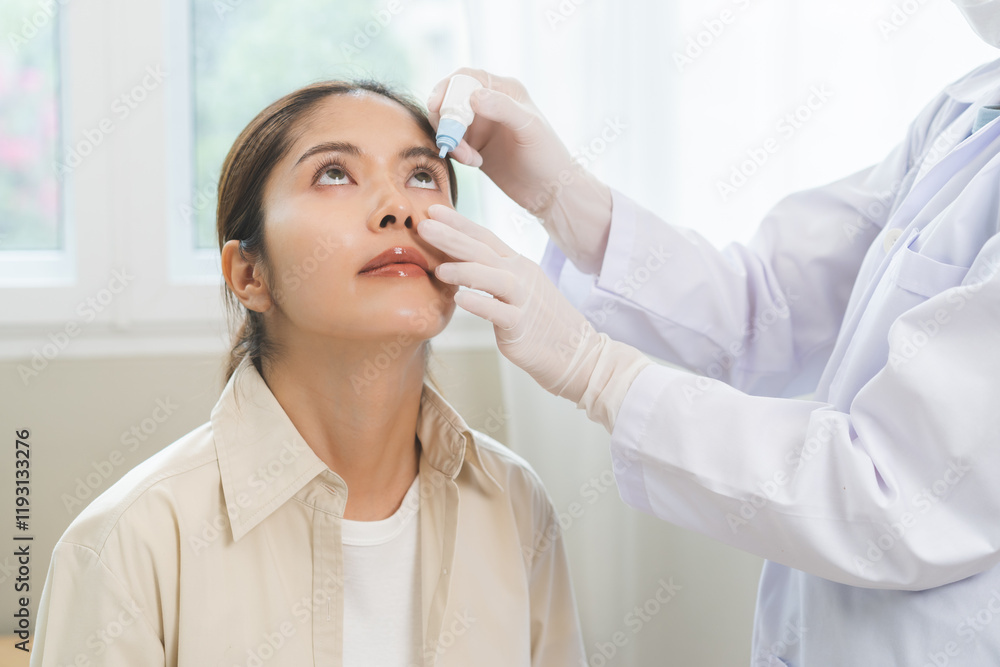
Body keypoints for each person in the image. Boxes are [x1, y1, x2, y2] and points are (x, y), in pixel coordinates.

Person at [415, 3, 1000, 665]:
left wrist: (597, 369)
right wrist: (563, 194)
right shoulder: (970, 110)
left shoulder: (502, 501)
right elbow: (766, 309)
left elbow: (897, 494)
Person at [29, 80, 585, 666]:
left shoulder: (515, 502)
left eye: (422, 176)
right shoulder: (128, 544)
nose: (397, 207)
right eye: (334, 174)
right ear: (249, 275)